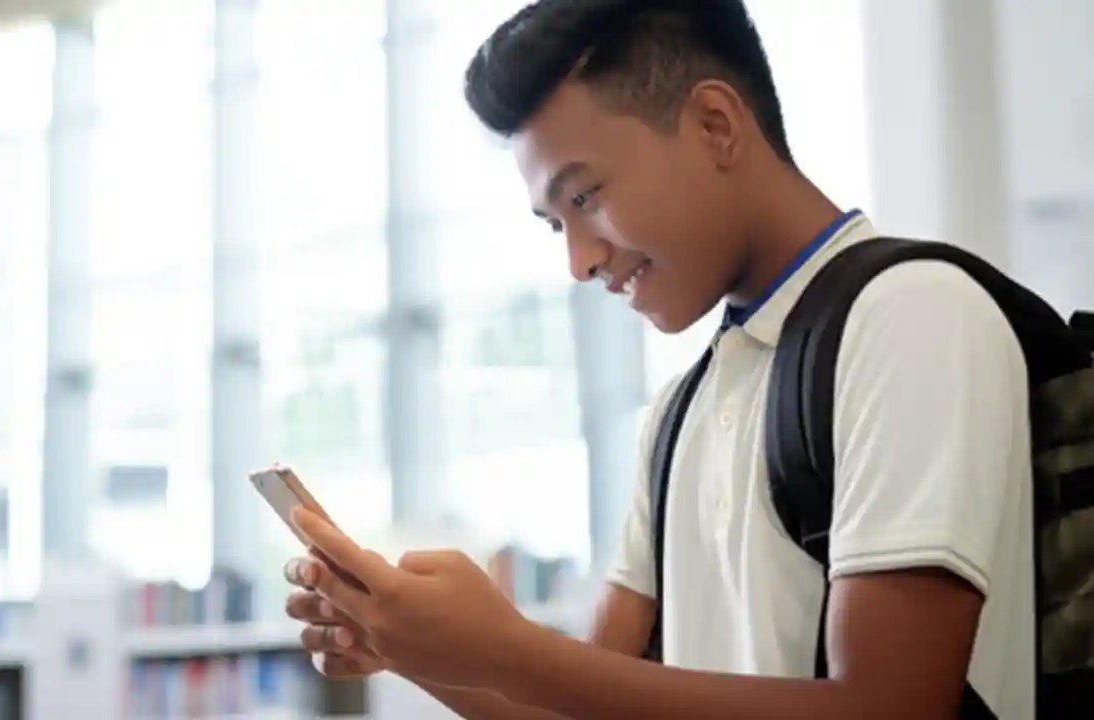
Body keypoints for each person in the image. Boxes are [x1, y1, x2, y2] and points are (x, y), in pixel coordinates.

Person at [283, 0, 1034, 717]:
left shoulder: (911, 315)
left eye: (585, 197)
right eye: (554, 225)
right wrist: (417, 646)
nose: (579, 261)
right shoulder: (678, 414)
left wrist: (508, 651)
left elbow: (891, 708)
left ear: (714, 125)